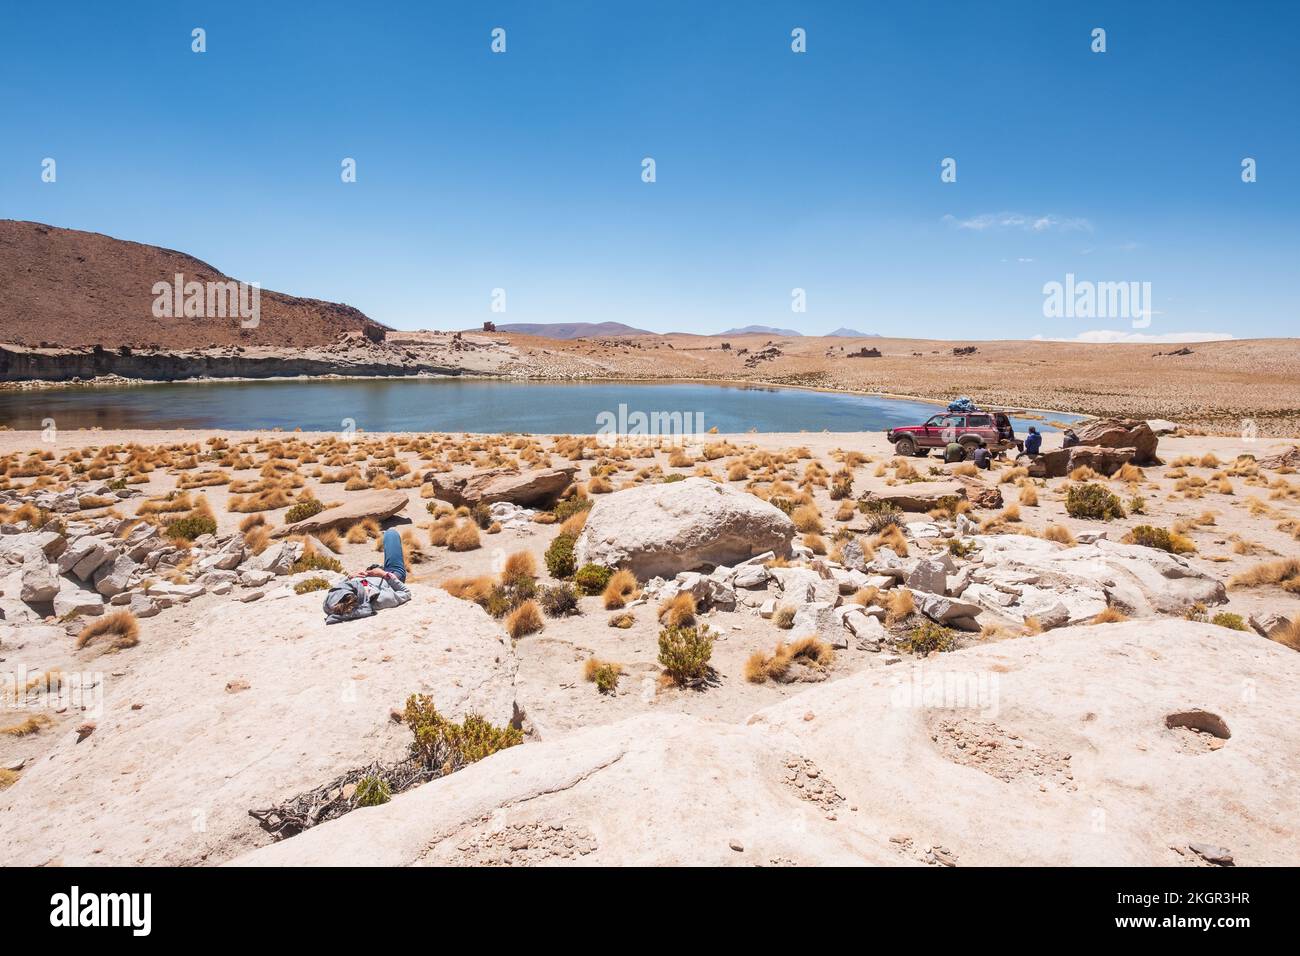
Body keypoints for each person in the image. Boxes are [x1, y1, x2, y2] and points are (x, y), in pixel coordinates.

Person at [322, 528, 412, 624]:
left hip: (372, 574)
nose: (354, 584)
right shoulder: (378, 599)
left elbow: (339, 587)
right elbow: (406, 593)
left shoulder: (332, 602)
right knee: (391, 534)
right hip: (392, 574)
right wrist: (384, 574)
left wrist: (350, 577)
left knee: (376, 564)